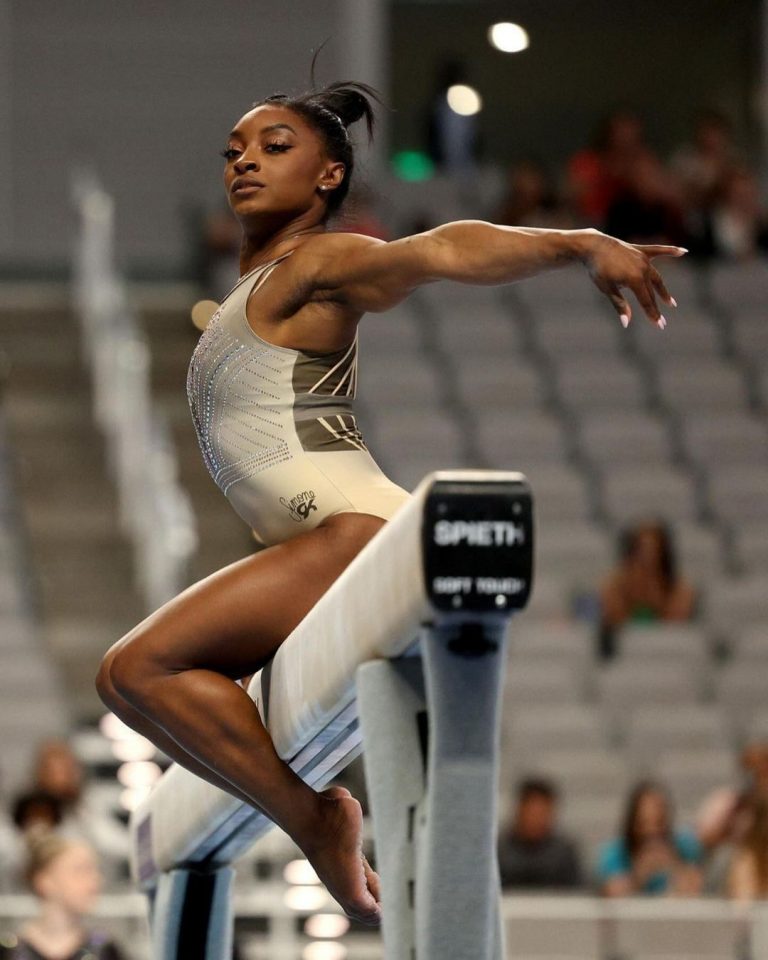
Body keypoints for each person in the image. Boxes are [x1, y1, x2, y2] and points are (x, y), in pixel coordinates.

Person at [93, 59, 687, 926]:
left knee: (135, 670)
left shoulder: (318, 264)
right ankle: (312, 812)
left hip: (353, 534)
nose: (243, 161)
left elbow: (437, 249)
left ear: (329, 174)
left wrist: (574, 242)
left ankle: (314, 817)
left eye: (274, 144)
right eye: (233, 150)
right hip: (325, 541)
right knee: (156, 684)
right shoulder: (257, 287)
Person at [0, 831, 126, 959]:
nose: (95, 881)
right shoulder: (10, 952)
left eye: (95, 872)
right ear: (45, 881)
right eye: (80, 870)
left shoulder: (104, 949)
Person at [597, 519, 697, 659]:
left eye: (654, 550)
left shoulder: (681, 588)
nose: (647, 557)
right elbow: (613, 617)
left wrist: (655, 594)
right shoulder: (613, 585)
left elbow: (675, 625)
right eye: (640, 549)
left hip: (667, 652)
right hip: (625, 654)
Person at [598, 780, 703, 897]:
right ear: (632, 822)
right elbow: (613, 895)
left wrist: (674, 865)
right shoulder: (615, 853)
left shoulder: (683, 847)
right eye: (643, 823)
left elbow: (694, 889)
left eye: (659, 822)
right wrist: (639, 873)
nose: (652, 831)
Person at [497, 777, 583, 890]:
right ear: (519, 810)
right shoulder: (499, 850)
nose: (536, 819)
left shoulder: (564, 852)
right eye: (532, 812)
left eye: (542, 813)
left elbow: (577, 891)